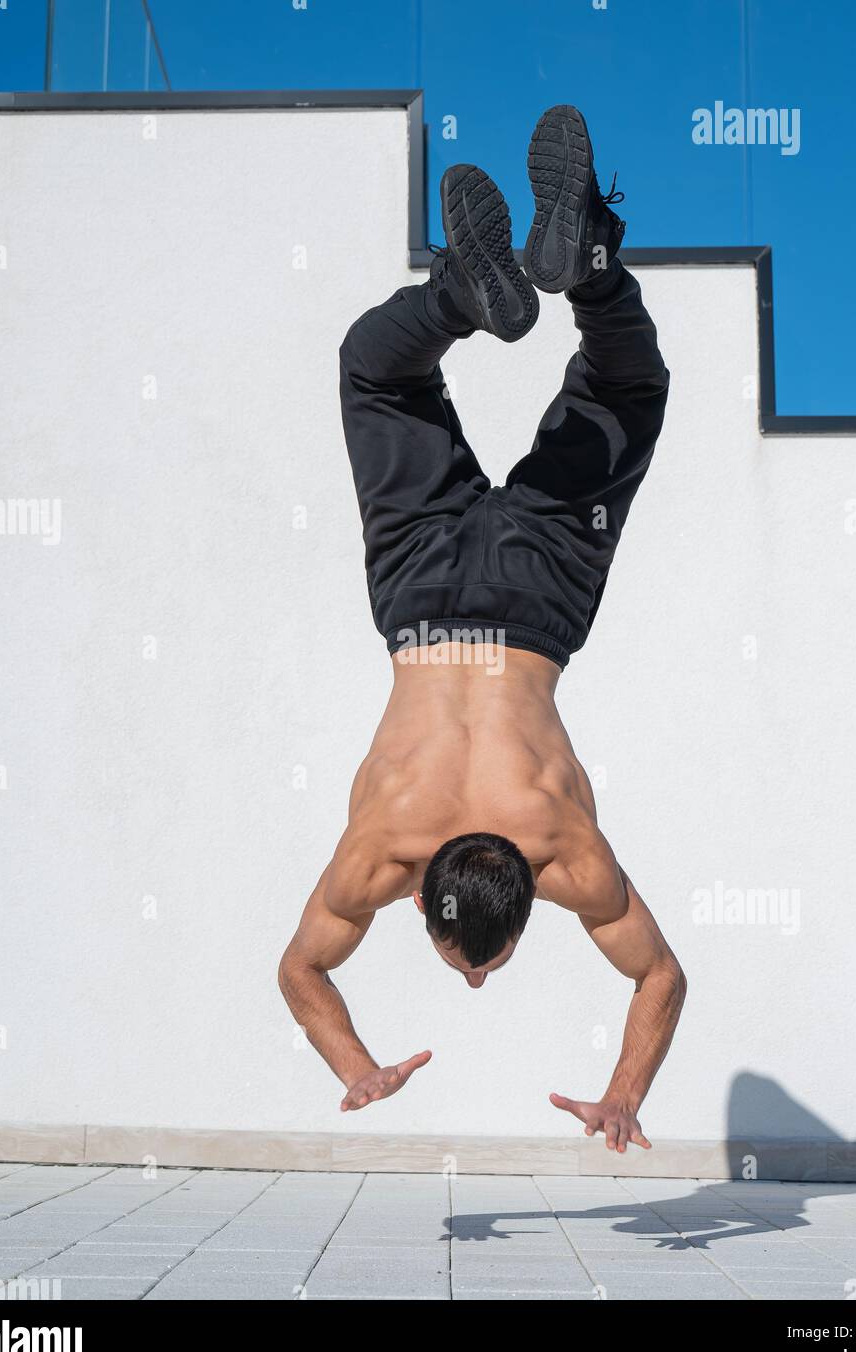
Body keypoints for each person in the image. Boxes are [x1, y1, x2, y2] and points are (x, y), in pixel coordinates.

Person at [279, 107, 684, 1154]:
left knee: (625, 386)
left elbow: (659, 975)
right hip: (418, 598)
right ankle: (456, 296)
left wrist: (625, 1094)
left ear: (525, 894)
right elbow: (299, 970)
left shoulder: (565, 853)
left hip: (535, 602)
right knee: (378, 376)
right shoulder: (381, 853)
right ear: (424, 899)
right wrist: (352, 1066)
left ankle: (585, 263)